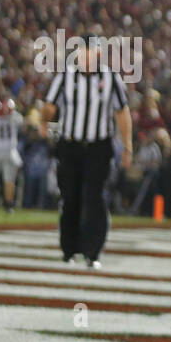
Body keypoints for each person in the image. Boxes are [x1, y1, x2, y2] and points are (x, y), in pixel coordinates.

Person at [41, 44, 133, 268]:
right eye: (84, 52)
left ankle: (93, 252)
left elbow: (122, 112)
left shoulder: (111, 78)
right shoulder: (66, 76)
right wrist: (49, 129)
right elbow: (49, 106)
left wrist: (127, 146)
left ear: (98, 54)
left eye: (91, 51)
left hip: (98, 146)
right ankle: (69, 250)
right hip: (70, 145)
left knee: (95, 198)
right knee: (70, 198)